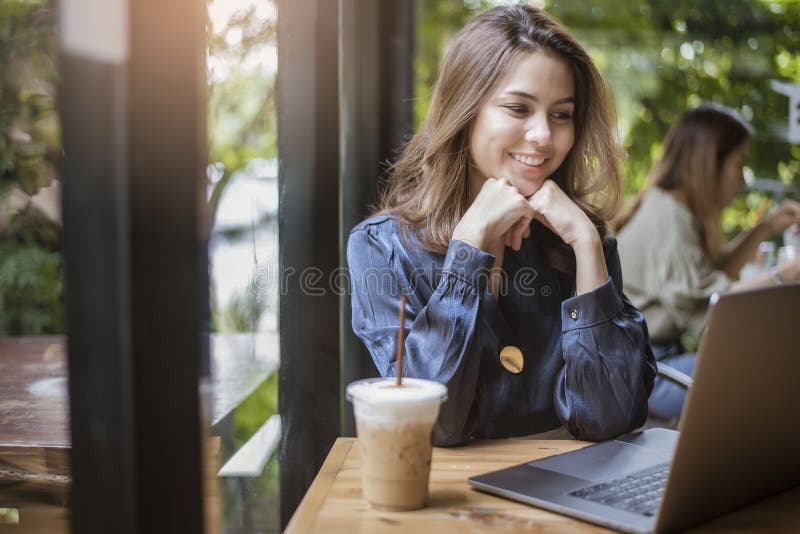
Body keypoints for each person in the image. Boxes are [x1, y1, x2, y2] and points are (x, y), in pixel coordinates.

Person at [347, 5, 656, 447]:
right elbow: (435, 425)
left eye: (561, 114)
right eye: (518, 108)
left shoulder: (578, 241)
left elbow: (609, 419)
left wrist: (588, 244)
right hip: (448, 503)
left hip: (565, 498)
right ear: (466, 111)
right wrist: (470, 248)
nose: (543, 136)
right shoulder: (382, 247)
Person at [614, 102, 800, 421]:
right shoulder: (669, 216)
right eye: (738, 164)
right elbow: (713, 302)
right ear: (709, 162)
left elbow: (712, 276)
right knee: (769, 368)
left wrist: (766, 227)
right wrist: (787, 274)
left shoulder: (672, 209)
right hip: (645, 376)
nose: (742, 180)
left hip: (656, 362)